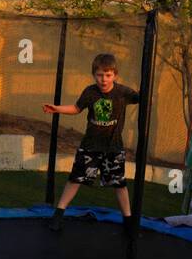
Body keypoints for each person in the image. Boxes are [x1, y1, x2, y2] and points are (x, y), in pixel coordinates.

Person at [43, 53, 141, 233]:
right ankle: (58, 215)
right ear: (94, 75)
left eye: (108, 75)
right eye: (100, 75)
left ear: (115, 75)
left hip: (113, 147)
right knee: (75, 180)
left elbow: (139, 98)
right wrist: (57, 109)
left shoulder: (123, 93)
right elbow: (76, 108)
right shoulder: (90, 92)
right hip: (90, 146)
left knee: (119, 184)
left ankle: (128, 221)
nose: (104, 79)